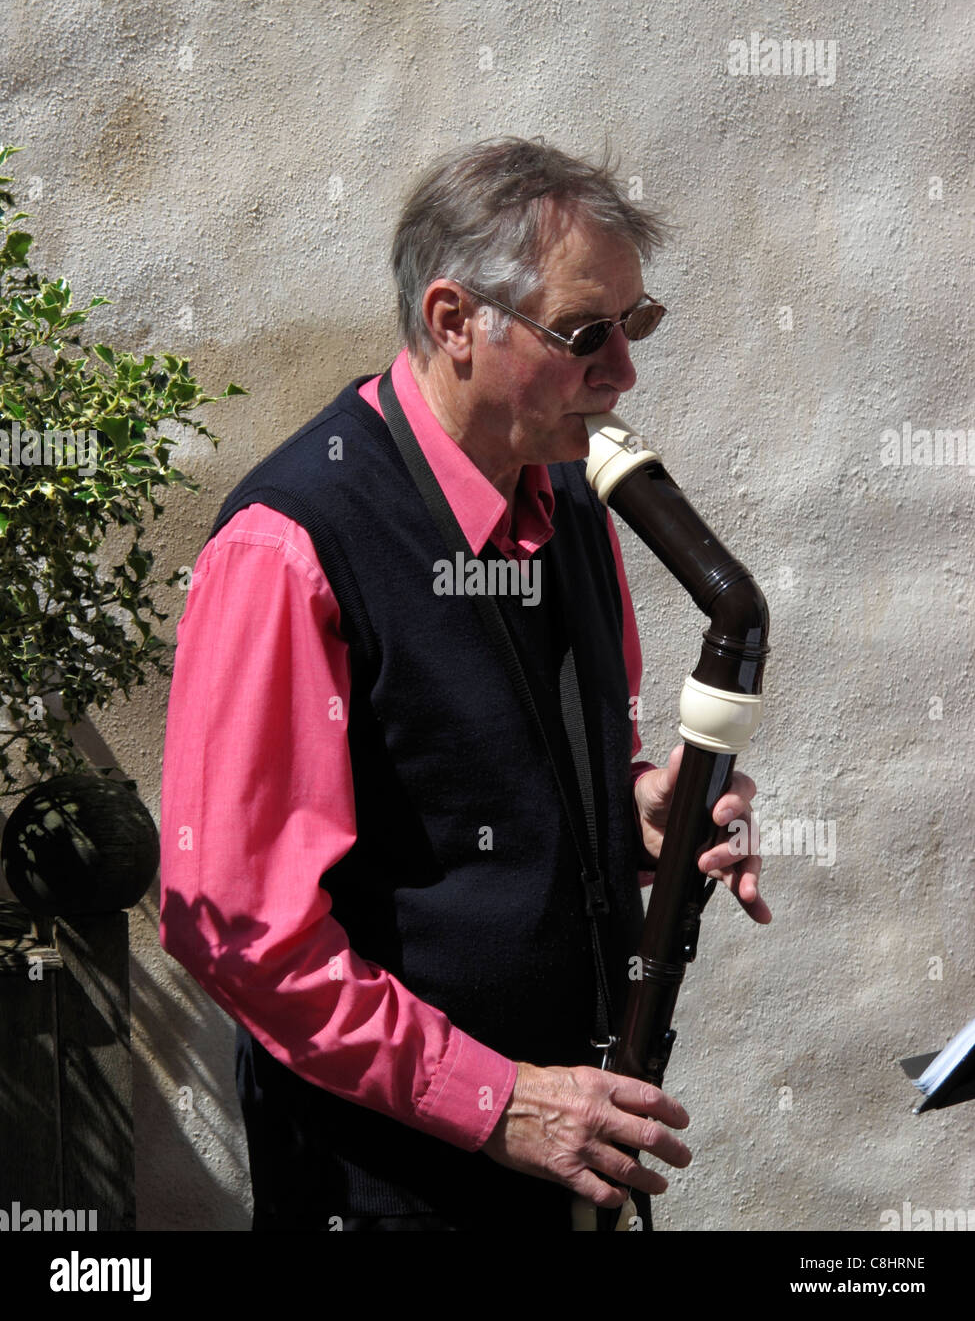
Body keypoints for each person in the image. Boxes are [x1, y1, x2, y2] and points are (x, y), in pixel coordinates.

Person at [159, 136, 769, 1232]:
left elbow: (534, 776)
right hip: (384, 1190)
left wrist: (645, 817)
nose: (624, 371)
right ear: (454, 323)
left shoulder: (573, 496)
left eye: (637, 325)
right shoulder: (287, 547)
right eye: (588, 334)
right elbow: (236, 926)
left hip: (565, 1159)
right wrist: (504, 1106)